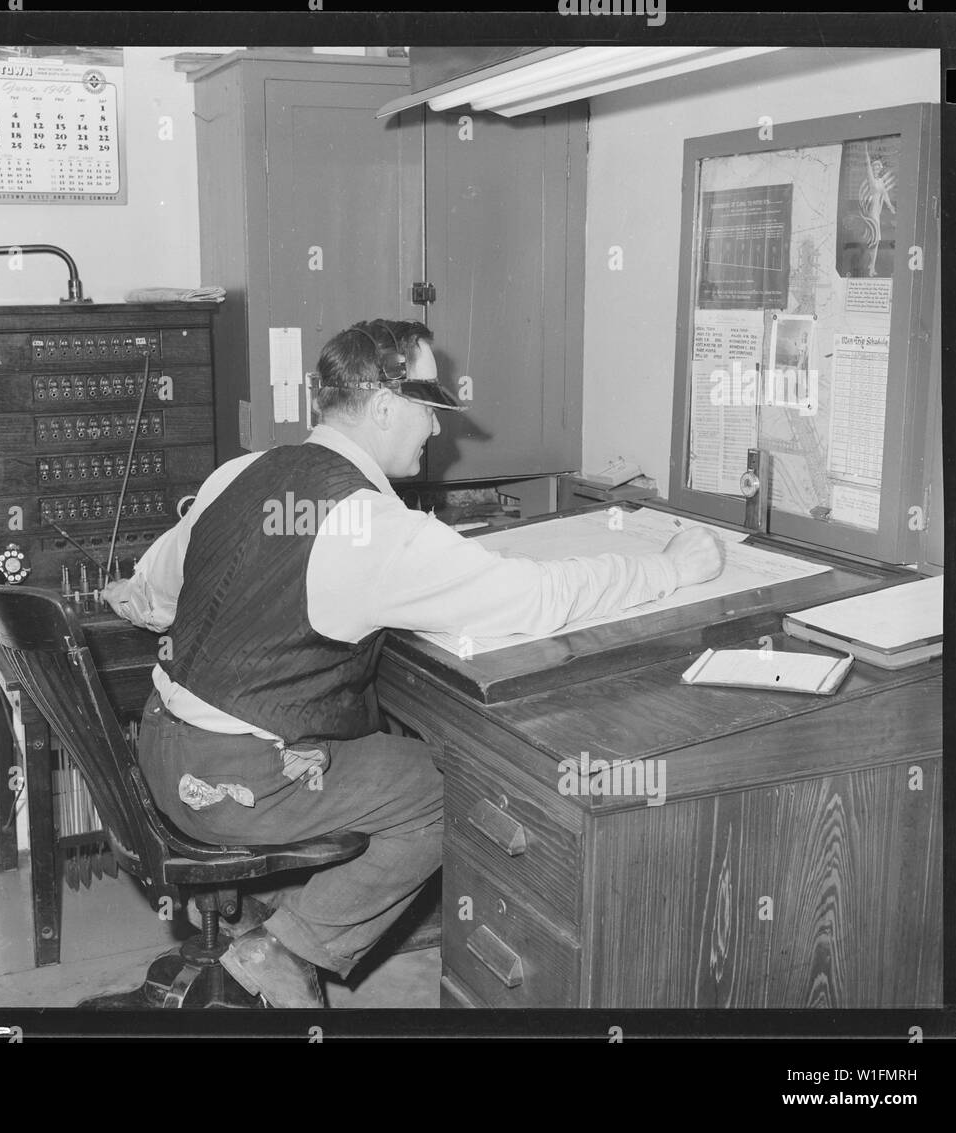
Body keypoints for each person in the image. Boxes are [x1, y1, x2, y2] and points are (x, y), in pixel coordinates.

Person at [102, 318, 724, 1008]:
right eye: (429, 409)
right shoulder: (373, 527)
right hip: (237, 783)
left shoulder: (240, 471)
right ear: (385, 406)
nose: (435, 430)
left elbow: (152, 596)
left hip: (159, 749)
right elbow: (541, 599)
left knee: (379, 751)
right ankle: (287, 946)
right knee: (452, 785)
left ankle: (270, 914)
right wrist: (667, 568)